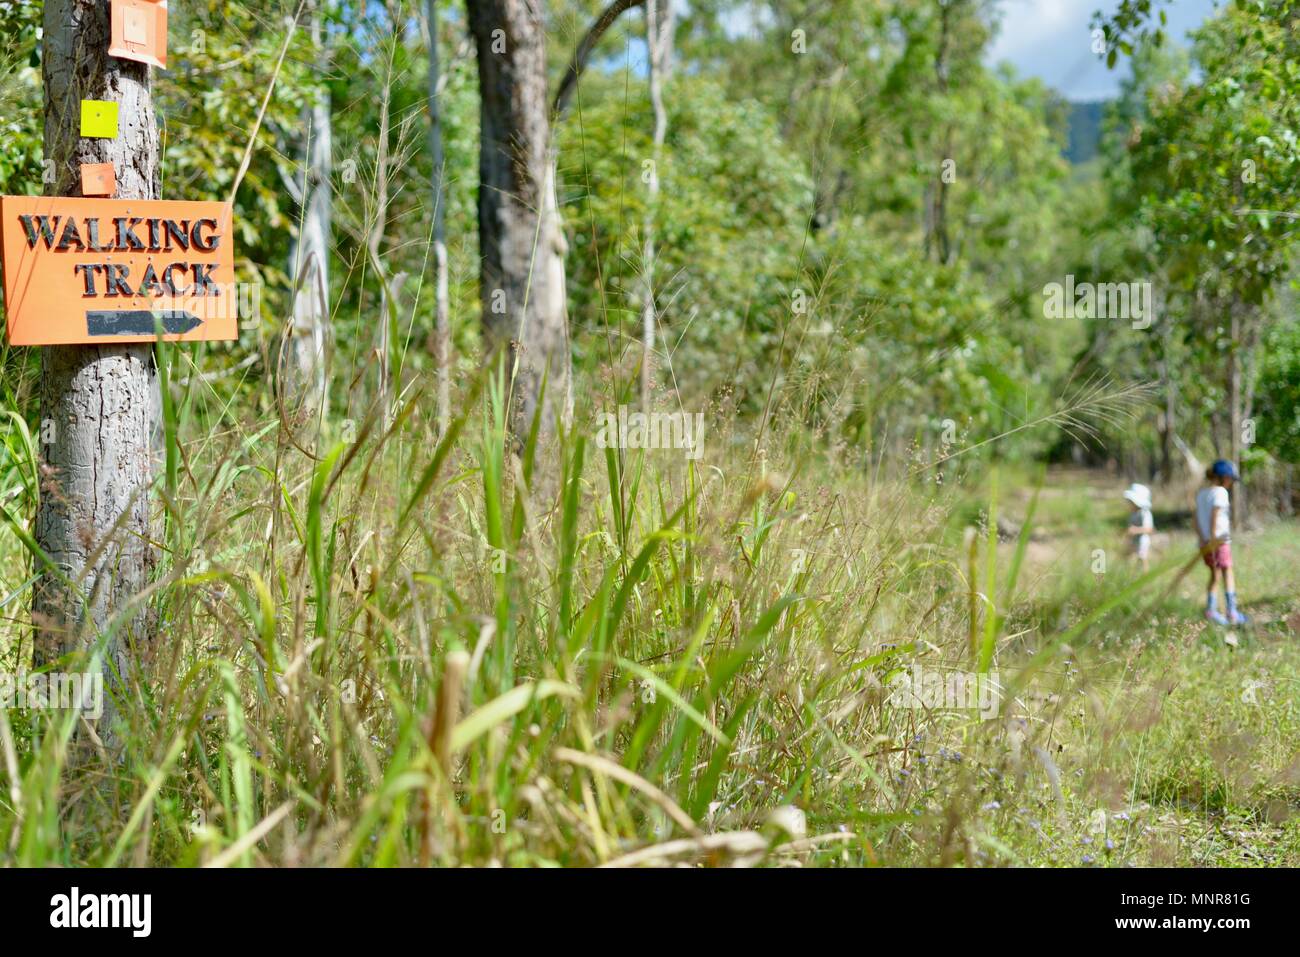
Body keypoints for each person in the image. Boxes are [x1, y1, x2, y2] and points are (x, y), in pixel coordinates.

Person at [1195, 460, 1247, 626]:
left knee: (1214, 574)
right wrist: (1213, 538)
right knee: (1227, 571)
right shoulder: (1221, 493)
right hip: (1218, 541)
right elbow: (1215, 515)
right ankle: (1232, 611)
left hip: (1205, 542)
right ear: (1225, 477)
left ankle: (1211, 610)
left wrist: (1203, 539)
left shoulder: (1202, 493)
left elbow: (1195, 520)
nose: (1231, 483)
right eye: (1231, 479)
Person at [1123, 483, 1154, 571]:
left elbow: (1150, 529)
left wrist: (1135, 530)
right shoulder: (1133, 513)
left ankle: (1146, 575)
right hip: (1134, 540)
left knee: (1142, 558)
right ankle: (1130, 573)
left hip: (1142, 541)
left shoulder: (1145, 514)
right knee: (1128, 556)